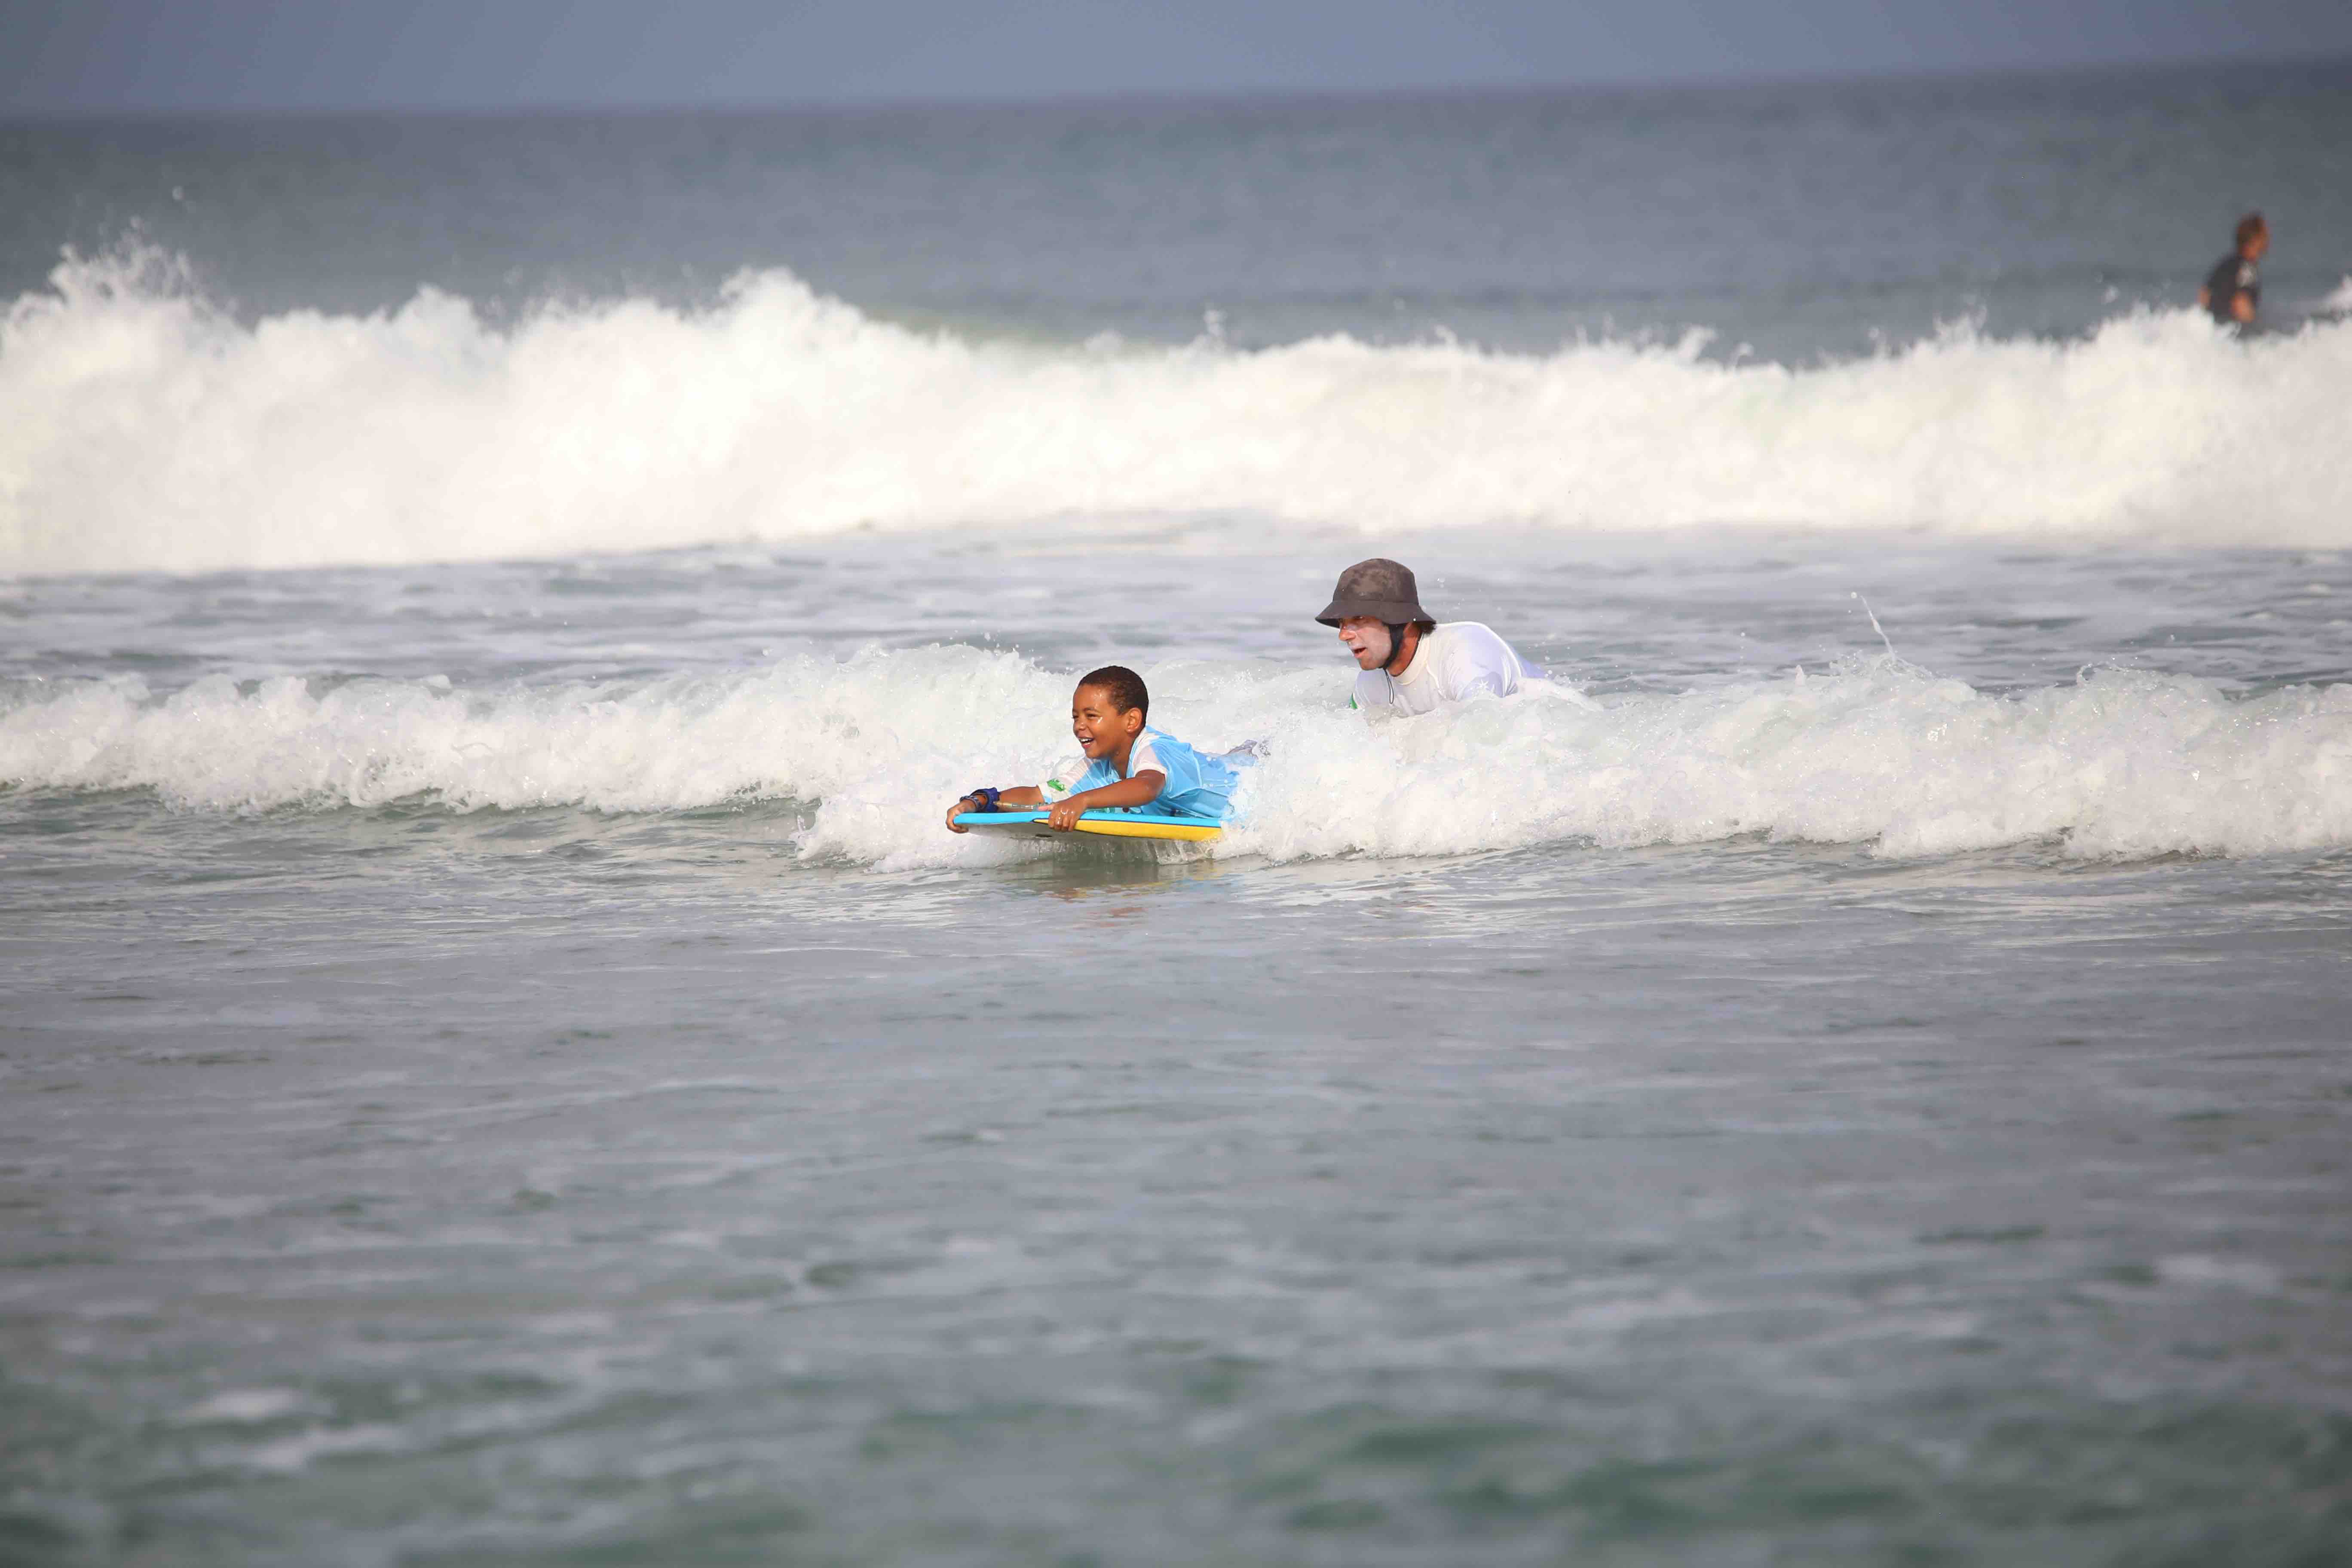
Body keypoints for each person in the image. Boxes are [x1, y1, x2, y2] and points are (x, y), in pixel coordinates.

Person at [945, 665, 1237, 833]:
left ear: (1131, 720)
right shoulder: (1096, 768)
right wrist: (979, 801)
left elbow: (1148, 786)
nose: (1079, 726)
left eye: (1091, 716)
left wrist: (1082, 802)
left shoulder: (1155, 749)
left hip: (1244, 788)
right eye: (1075, 717)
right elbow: (1036, 797)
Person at [1316, 557, 1546, 716]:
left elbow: (1488, 734)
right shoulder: (1370, 685)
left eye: (1359, 619)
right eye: (1342, 623)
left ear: (1402, 622)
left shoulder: (1465, 651)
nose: (1344, 635)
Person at [2198, 211, 2269, 328]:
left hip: (2216, 331)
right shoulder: (2248, 268)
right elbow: (2241, 304)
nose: (2268, 239)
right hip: (2235, 337)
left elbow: (2204, 296)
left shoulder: (2226, 264)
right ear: (2255, 240)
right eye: (2265, 235)